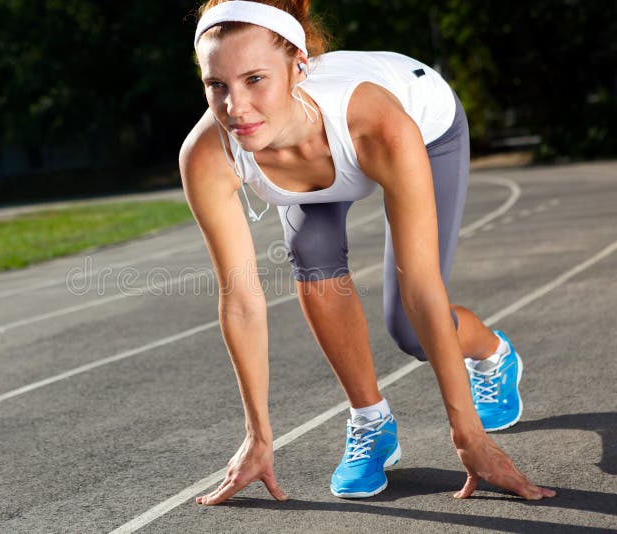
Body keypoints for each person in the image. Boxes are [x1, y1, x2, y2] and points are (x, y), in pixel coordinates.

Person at [179, 0, 556, 503]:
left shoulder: (381, 127)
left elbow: (423, 290)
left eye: (254, 80)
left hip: (422, 122)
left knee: (409, 325)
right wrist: (258, 437)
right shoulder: (207, 153)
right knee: (312, 253)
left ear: (298, 69)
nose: (235, 108)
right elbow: (242, 302)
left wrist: (470, 437)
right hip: (309, 147)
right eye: (216, 85)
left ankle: (491, 354)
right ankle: (370, 422)